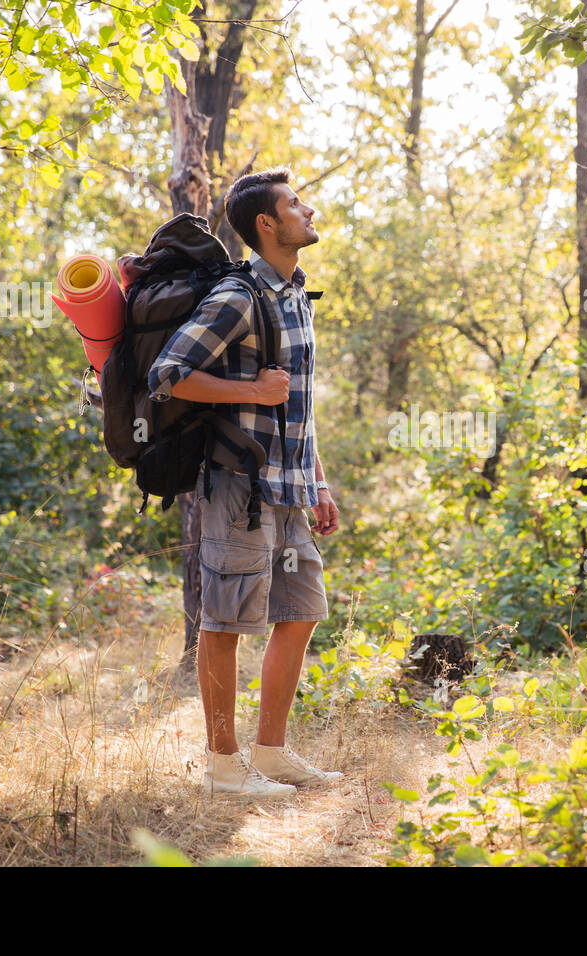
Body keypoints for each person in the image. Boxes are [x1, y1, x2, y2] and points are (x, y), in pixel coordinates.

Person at [148, 167, 341, 798]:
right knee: (226, 620)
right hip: (238, 488)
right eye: (295, 204)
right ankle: (224, 765)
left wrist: (318, 480)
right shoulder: (239, 296)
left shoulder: (296, 294)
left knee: (301, 611)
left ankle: (273, 751)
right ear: (267, 224)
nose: (307, 210)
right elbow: (167, 374)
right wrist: (249, 389)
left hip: (289, 489)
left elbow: (298, 406)